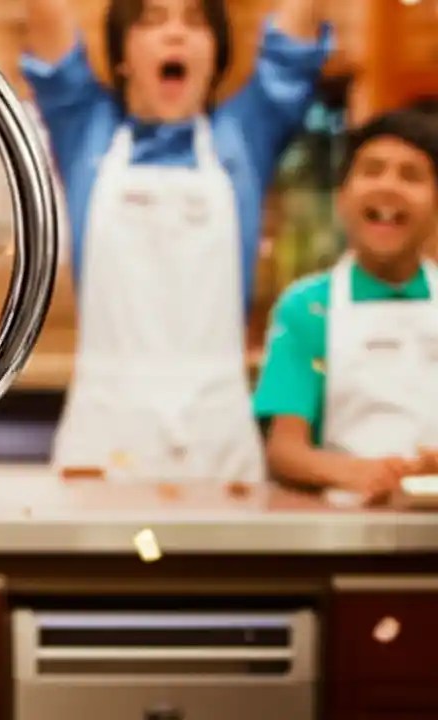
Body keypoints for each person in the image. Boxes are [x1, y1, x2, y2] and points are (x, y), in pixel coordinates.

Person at [23, 0, 331, 482]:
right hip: (105, 433)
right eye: (152, 20)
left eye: (195, 23)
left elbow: (295, 38)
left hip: (218, 435)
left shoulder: (244, 136)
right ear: (122, 56)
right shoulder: (85, 129)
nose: (175, 35)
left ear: (216, 56)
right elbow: (47, 20)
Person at [255, 109, 438, 504]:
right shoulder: (306, 308)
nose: (388, 186)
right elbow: (285, 450)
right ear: (342, 197)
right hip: (342, 530)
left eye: (411, 175)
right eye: (372, 170)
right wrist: (356, 472)